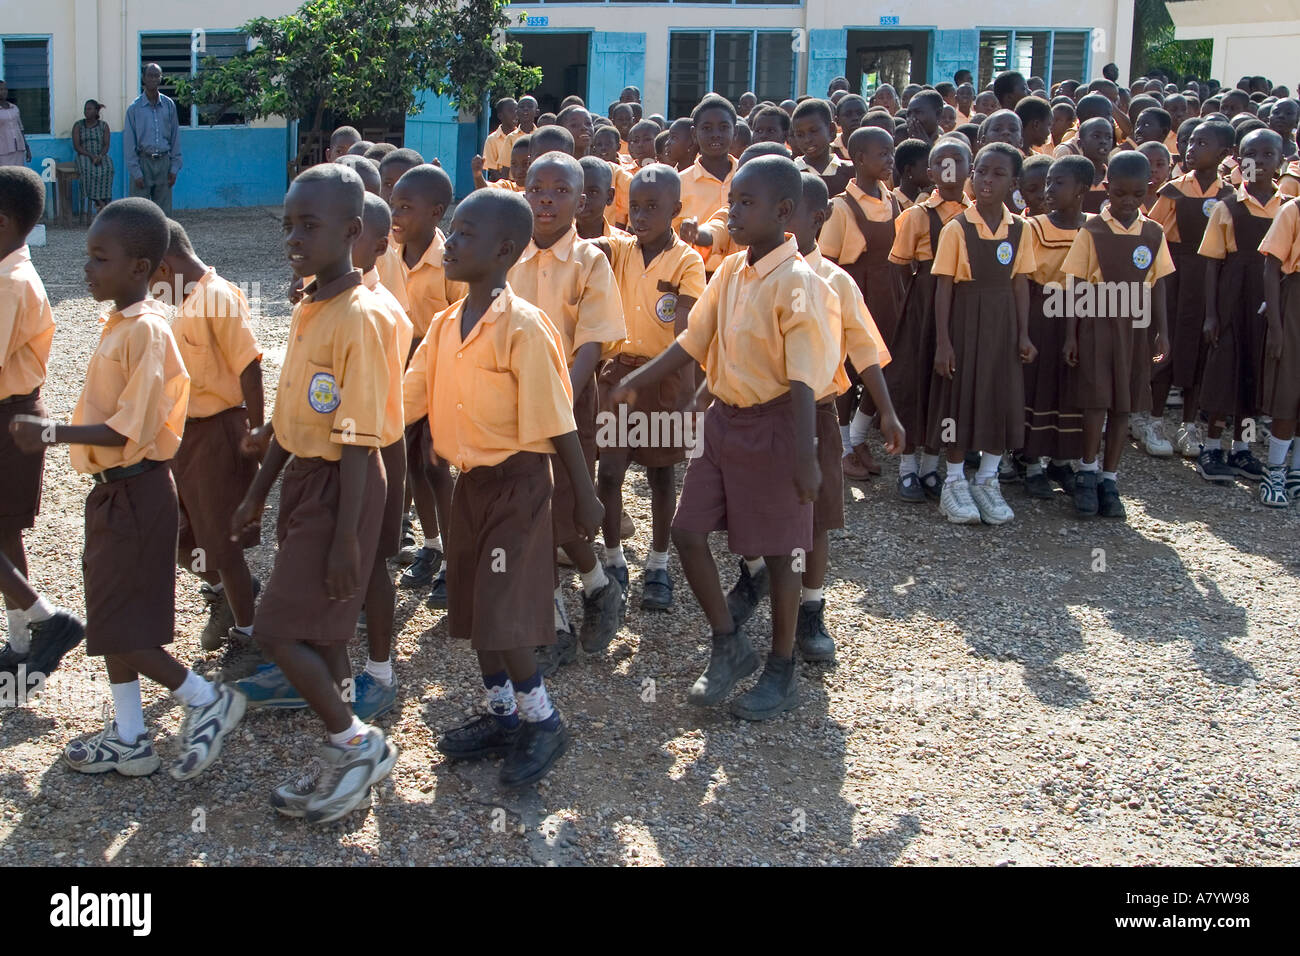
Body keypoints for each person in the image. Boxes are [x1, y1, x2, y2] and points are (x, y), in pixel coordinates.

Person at [9, 198, 244, 779]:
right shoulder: (120, 322)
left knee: (118, 625)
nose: (86, 269)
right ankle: (131, 736)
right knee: (113, 617)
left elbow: (128, 429)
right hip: (113, 492)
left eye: (98, 258)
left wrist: (51, 432)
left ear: (140, 267)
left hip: (137, 490)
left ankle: (206, 700)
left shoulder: (147, 332)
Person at [609, 155, 839, 720]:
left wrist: (807, 455)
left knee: (782, 555)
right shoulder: (732, 272)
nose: (731, 212)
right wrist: (636, 382)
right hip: (724, 423)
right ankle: (728, 643)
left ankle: (780, 665)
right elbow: (692, 339)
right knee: (689, 533)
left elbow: (806, 378)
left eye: (745, 203)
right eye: (730, 200)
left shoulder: (799, 284)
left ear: (784, 212)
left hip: (778, 427)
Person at [406, 188, 599, 787]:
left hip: (519, 485)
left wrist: (585, 493)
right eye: (453, 231)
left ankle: (544, 722)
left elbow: (556, 415)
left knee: (502, 612)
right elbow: (405, 401)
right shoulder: (443, 324)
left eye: (464, 234)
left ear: (504, 250)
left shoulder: (524, 326)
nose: (451, 243)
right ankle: (503, 714)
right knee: (470, 607)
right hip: (473, 486)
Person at [231, 165, 395, 821]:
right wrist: (257, 495)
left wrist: (347, 541)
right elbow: (291, 419)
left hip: (342, 486)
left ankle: (357, 744)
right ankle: (343, 748)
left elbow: (356, 439)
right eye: (288, 224)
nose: (293, 236)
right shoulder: (308, 306)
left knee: (274, 630)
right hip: (304, 476)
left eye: (310, 225)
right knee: (325, 636)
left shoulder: (357, 319)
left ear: (352, 232)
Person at [507, 152, 626, 667]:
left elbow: (595, 342)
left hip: (570, 401)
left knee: (561, 512)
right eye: (538, 189)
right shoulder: (507, 252)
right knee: (525, 511)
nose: (547, 199)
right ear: (523, 191)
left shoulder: (591, 261)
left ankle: (597, 585)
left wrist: (560, 396)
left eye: (560, 191)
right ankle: (554, 621)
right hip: (511, 401)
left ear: (581, 202)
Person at [791, 172, 902, 659]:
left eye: (786, 210)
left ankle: (811, 608)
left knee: (814, 516)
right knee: (758, 510)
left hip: (814, 414)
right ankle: (759, 586)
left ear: (816, 218)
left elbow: (865, 350)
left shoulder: (835, 281)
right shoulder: (743, 271)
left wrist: (890, 414)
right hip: (758, 414)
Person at [589, 165, 705, 616]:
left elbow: (685, 333)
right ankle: (615, 557)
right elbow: (585, 245)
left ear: (675, 211)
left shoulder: (687, 261)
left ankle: (658, 564)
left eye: (652, 207)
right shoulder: (618, 249)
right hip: (618, 376)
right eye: (634, 206)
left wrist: (687, 394)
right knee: (611, 473)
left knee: (660, 474)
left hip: (666, 379)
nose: (641, 215)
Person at [148, 220, 263, 666]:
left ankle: (250, 637)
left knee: (223, 541)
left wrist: (256, 429)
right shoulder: (184, 302)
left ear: (164, 266)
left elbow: (249, 366)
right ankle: (226, 593)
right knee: (183, 535)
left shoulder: (218, 297)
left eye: (152, 281)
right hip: (184, 435)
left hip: (220, 432)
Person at [0, 165, 84, 678]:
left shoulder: (11, 282)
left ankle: (45, 619)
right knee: (7, 536)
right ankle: (24, 641)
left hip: (10, 418)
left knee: (6, 534)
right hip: (11, 414)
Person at [929, 142, 1037, 525]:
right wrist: (943, 342)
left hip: (1004, 324)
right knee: (961, 398)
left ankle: (988, 478)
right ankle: (954, 481)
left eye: (998, 174)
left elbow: (1021, 283)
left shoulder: (1020, 229)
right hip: (966, 321)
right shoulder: (957, 228)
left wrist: (1024, 334)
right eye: (981, 171)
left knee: (999, 395)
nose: (987, 180)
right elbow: (943, 287)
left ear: (1014, 182)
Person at [1062, 150, 1173, 518]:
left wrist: (1163, 333)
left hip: (1136, 329)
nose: (1128, 202)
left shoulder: (1154, 233)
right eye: (1120, 194)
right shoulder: (1091, 231)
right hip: (1097, 324)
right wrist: (1071, 335)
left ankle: (1110, 477)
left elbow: (1157, 286)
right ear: (1106, 189)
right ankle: (1087, 472)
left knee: (1123, 405)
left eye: (1137, 195)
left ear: (1149, 190)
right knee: (1096, 402)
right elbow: (1075, 285)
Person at [388, 164, 465, 607]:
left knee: (437, 463)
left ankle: (457, 560)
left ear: (436, 213)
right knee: (410, 463)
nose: (395, 214)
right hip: (399, 368)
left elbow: (459, 329)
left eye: (406, 207)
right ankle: (431, 545)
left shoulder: (449, 262)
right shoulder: (387, 255)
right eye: (393, 204)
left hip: (439, 370)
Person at [348, 192, 413, 719]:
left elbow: (371, 412)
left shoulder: (378, 310)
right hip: (334, 452)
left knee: (371, 563)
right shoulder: (321, 301)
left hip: (371, 450)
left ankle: (380, 669)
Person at [886, 138, 972, 502]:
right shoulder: (918, 216)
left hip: (963, 308)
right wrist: (914, 304)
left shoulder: (976, 216)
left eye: (958, 164)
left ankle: (931, 468)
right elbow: (900, 268)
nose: (950, 172)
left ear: (970, 170)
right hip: (922, 306)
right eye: (942, 164)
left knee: (947, 388)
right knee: (913, 383)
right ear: (930, 172)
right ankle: (907, 468)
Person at [1197, 127, 1283, 484]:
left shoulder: (1287, 208)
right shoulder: (1227, 207)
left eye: (1267, 155)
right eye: (1251, 155)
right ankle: (1212, 447)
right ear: (1239, 159)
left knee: (1252, 375)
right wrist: (1212, 314)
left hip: (1267, 301)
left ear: (1281, 160)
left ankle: (1242, 448)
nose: (1259, 162)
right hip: (1232, 296)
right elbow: (1212, 263)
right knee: (1223, 374)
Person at [820, 125, 904, 478]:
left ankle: (857, 437)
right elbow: (827, 261)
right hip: (854, 293)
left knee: (885, 367)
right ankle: (842, 446)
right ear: (859, 159)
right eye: (882, 153)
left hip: (890, 293)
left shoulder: (894, 200)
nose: (890, 159)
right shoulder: (841, 207)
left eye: (891, 151)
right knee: (848, 370)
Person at [1149, 120, 1235, 456]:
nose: (1191, 148)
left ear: (1223, 154)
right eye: (1190, 142)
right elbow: (1153, 233)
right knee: (1165, 343)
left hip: (1211, 276)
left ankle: (1188, 425)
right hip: (1174, 273)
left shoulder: (1229, 196)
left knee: (1201, 348)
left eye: (1202, 144)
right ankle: (1154, 420)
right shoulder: (1173, 190)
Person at [1020, 155, 1091, 498]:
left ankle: (1062, 460)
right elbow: (1022, 276)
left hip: (1079, 309)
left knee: (1070, 383)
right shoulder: (1033, 227)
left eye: (1058, 183)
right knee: (1038, 381)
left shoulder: (1093, 228)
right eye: (1047, 182)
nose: (1048, 190)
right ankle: (1030, 460)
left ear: (1081, 190)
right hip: (1041, 308)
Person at [1257, 186, 1300, 504]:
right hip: (1294, 306)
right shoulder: (1293, 211)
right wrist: (1275, 326)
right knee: (1288, 388)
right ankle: (1275, 469)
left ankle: (1297, 470)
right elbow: (1272, 267)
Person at [123, 63, 183, 214]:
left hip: (164, 163)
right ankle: (140, 239)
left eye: (157, 75)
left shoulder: (169, 105)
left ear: (161, 78)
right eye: (150, 75)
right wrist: (136, 172)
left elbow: (175, 137)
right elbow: (129, 142)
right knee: (139, 212)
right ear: (143, 78)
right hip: (143, 162)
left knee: (164, 214)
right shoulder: (134, 108)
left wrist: (174, 167)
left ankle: (162, 238)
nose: (153, 79)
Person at [792, 99, 854, 196]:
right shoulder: (792, 173)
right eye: (800, 135)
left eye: (813, 131)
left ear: (831, 130)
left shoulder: (851, 172)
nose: (807, 140)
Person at [72, 100, 114, 214]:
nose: (86, 111)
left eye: (89, 109)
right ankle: (99, 201)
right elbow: (77, 146)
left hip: (100, 154)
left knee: (108, 167)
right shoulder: (78, 125)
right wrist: (90, 156)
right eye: (85, 109)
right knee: (87, 170)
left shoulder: (104, 126)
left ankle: (106, 199)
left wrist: (100, 156)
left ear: (96, 111)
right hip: (84, 155)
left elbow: (106, 145)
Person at [481, 97, 521, 181]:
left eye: (517, 110)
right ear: (500, 116)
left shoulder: (522, 136)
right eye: (511, 111)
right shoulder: (492, 139)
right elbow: (493, 170)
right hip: (501, 185)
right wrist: (506, 186)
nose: (515, 114)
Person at [0, 80, 31, 166]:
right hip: (3, 151)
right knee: (5, 176)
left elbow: (20, 128)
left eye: (5, 89)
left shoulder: (14, 108)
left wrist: (27, 147)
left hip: (18, 149)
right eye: (1, 89)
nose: (4, 91)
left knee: (18, 175)